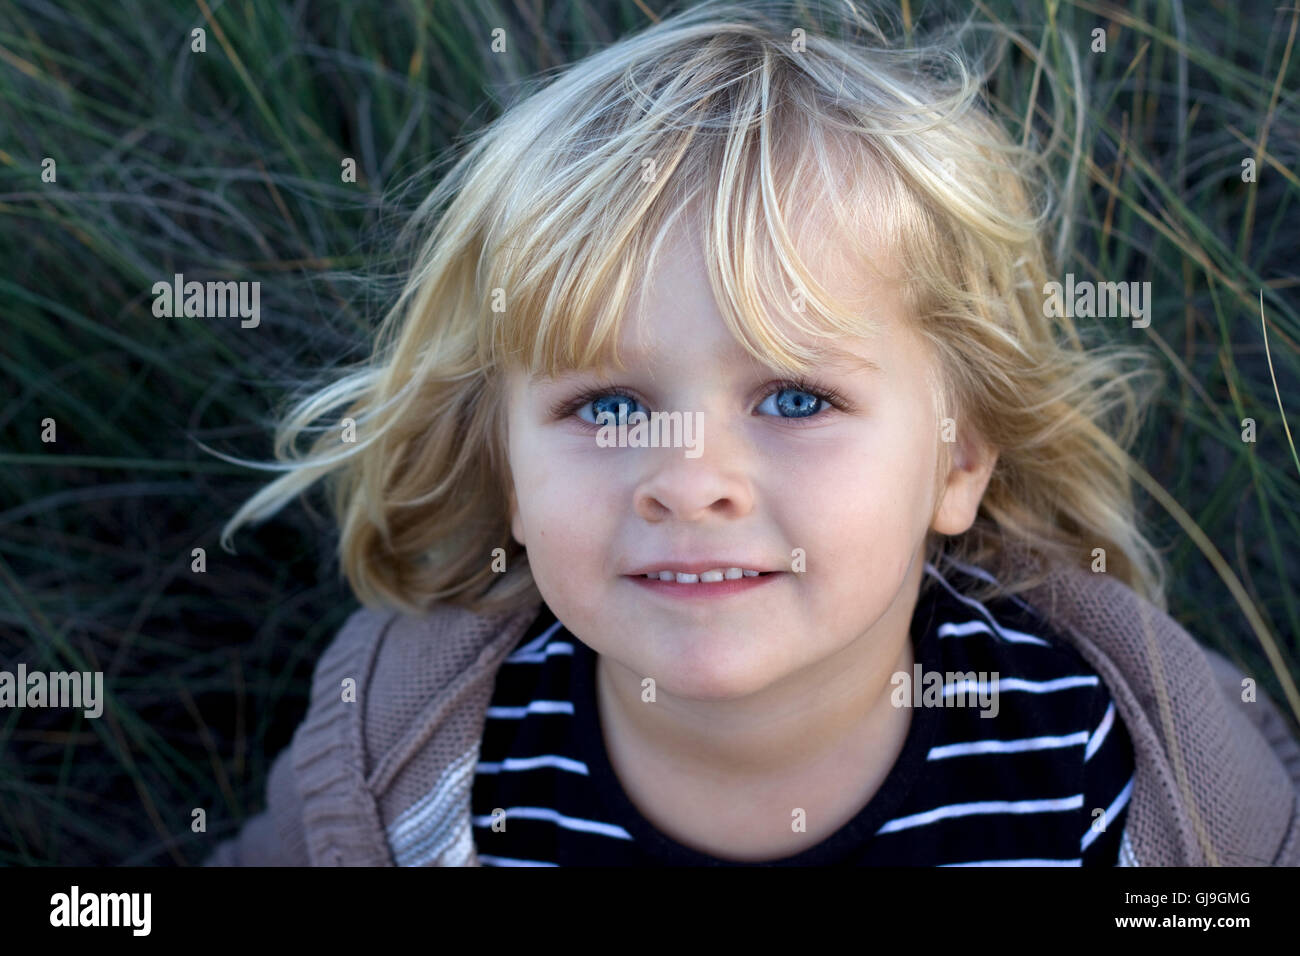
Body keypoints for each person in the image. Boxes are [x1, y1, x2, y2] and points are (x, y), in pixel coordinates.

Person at [205, 1, 1300, 866]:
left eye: (793, 399)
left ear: (956, 457)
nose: (690, 482)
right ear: (504, 465)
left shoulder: (1114, 765)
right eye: (606, 406)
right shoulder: (415, 751)